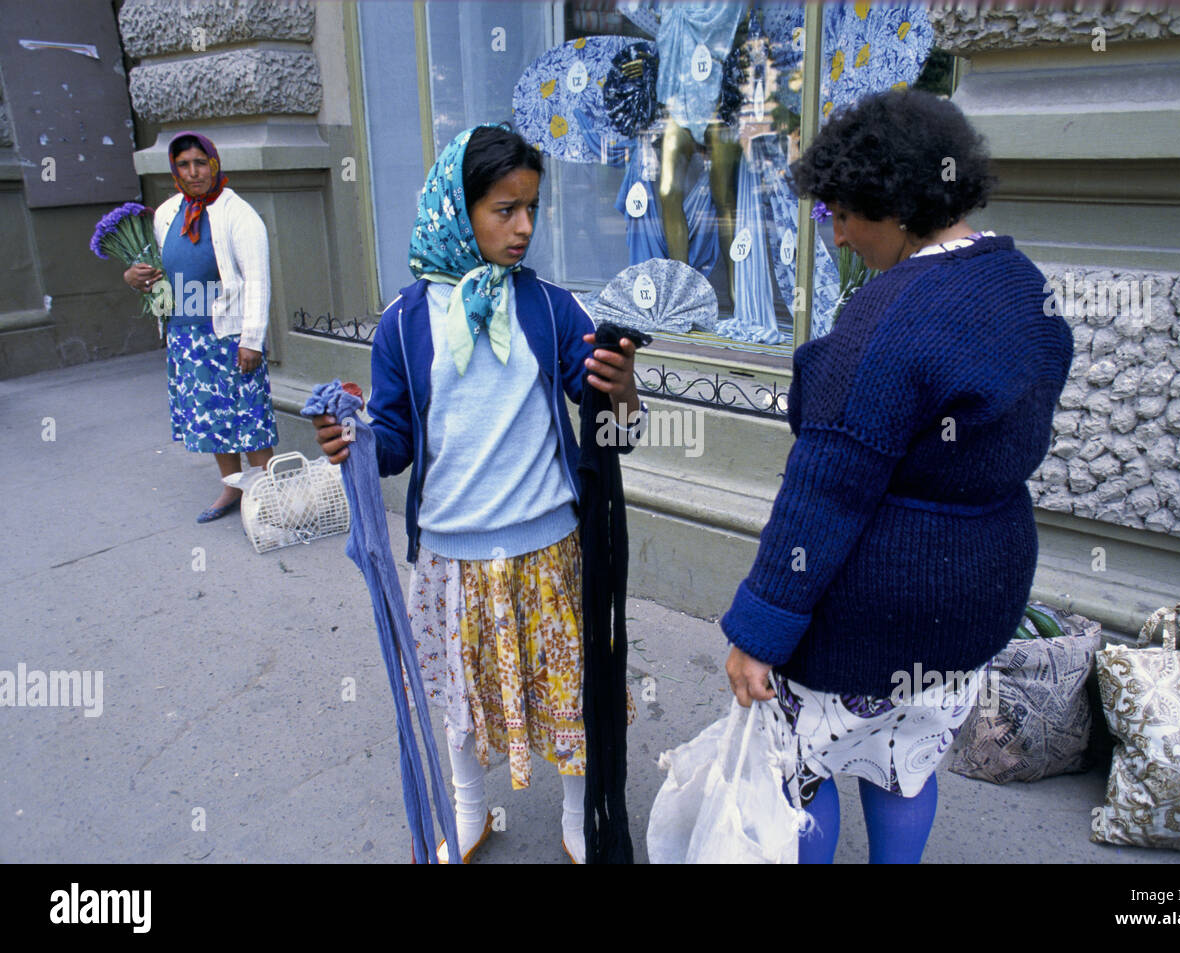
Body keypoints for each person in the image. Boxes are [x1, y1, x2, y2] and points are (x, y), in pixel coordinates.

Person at [719, 89, 1074, 864]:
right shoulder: (1024, 285)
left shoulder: (885, 320)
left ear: (902, 207)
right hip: (978, 593)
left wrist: (758, 632)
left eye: (847, 214)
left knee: (801, 770)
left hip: (873, 607)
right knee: (906, 759)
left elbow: (824, 491)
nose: (839, 234)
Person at [311, 125, 643, 864]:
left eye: (532, 208)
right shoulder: (403, 325)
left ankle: (575, 811)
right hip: (452, 557)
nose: (523, 227)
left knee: (568, 692)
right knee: (461, 700)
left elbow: (608, 422)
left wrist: (622, 392)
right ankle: (468, 806)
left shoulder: (553, 309)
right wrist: (354, 441)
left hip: (548, 544)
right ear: (459, 212)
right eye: (504, 209)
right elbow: (394, 443)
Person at [123, 132, 277, 522]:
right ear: (175, 170)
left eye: (200, 162)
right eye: (183, 165)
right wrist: (134, 277)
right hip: (186, 334)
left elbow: (258, 282)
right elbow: (158, 271)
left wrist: (252, 341)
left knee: (249, 420)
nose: (193, 172)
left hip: (228, 335)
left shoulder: (238, 215)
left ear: (214, 162)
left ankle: (267, 496)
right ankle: (232, 488)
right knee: (211, 419)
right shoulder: (167, 213)